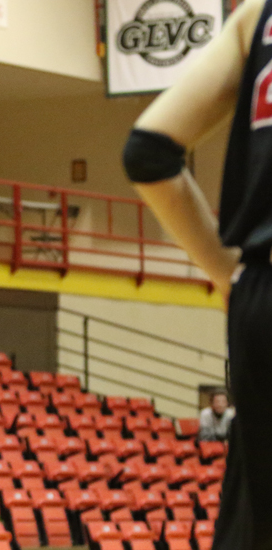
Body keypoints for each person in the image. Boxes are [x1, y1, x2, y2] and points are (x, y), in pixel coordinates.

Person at [122, 1, 271, 547]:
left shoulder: (258, 15)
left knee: (253, 517)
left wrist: (227, 275)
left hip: (260, 295)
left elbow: (148, 152)